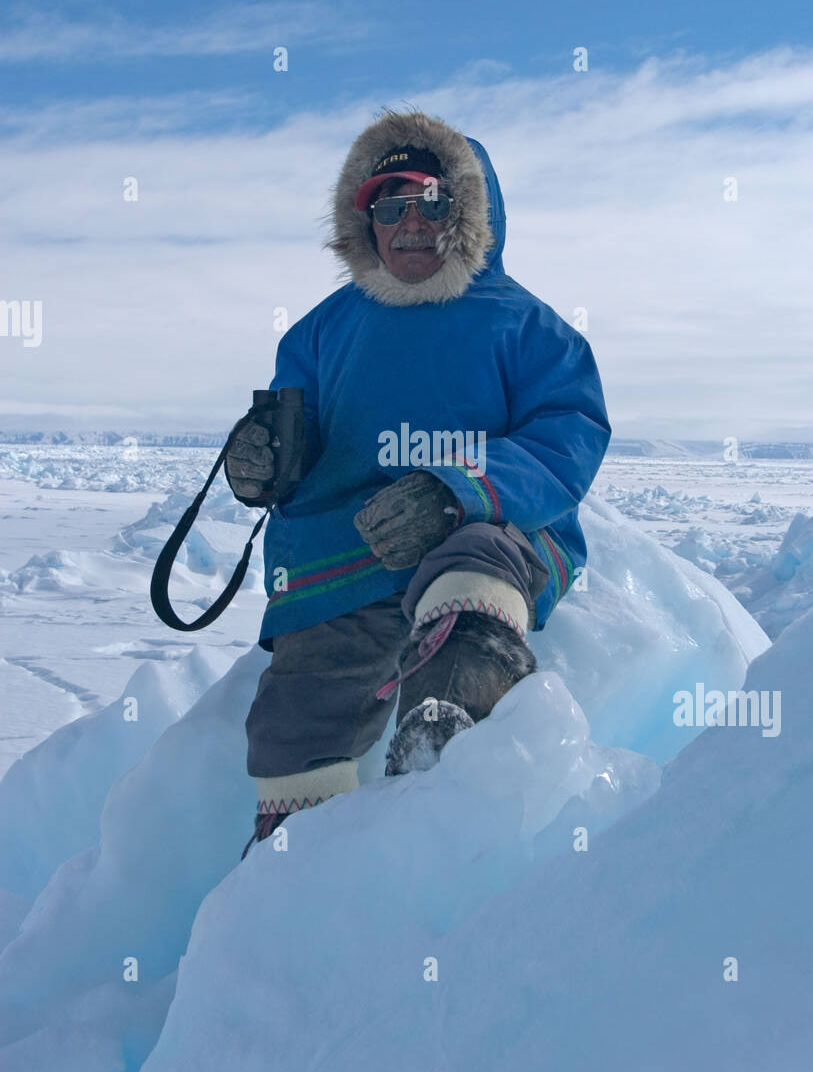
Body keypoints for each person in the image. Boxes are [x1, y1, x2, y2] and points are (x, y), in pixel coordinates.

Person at [226, 109, 611, 857]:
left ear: (469, 213)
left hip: (485, 530)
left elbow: (568, 436)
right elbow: (293, 444)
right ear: (361, 219)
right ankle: (299, 858)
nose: (408, 222)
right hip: (344, 554)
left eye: (430, 201)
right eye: (388, 204)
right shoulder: (316, 334)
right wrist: (261, 463)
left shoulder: (531, 331)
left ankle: (448, 741)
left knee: (472, 574)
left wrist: (454, 489)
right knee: (297, 710)